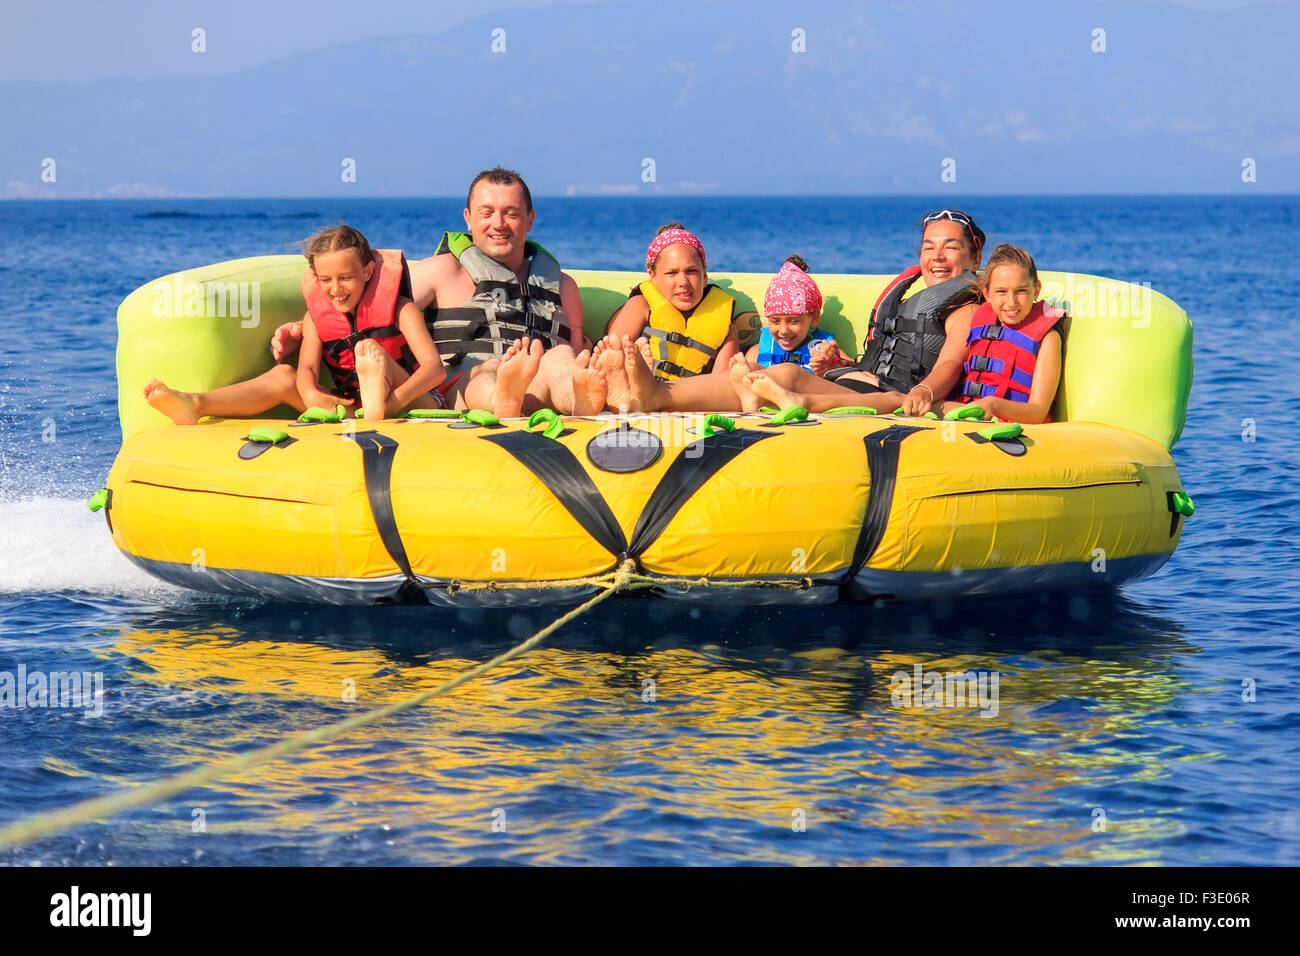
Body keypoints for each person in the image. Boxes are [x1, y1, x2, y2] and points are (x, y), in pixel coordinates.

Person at [607, 209, 988, 416]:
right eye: (928, 247)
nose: (937, 256)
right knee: (754, 376)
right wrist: (839, 362)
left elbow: (952, 360)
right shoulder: (910, 299)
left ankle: (658, 396)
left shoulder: (964, 306)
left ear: (975, 257)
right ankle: (655, 392)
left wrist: (925, 391)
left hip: (900, 397)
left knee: (786, 374)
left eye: (951, 247)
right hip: (862, 382)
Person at [274, 167, 588, 417]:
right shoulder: (440, 271)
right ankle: (504, 399)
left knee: (560, 358)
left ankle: (582, 404)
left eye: (511, 213)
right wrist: (303, 328)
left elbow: (573, 349)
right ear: (468, 218)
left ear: (530, 220)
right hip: (468, 389)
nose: (499, 223)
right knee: (487, 375)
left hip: (538, 384)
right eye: (486, 212)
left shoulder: (562, 285)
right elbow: (370, 309)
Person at [143, 225, 446, 423]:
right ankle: (194, 404)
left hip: (414, 403)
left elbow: (435, 368)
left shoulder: (402, 309)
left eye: (346, 278)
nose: (335, 289)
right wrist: (311, 393)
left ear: (368, 272)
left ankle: (379, 399)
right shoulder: (316, 318)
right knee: (283, 375)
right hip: (357, 409)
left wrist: (394, 403)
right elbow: (307, 370)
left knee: (369, 349)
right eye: (325, 280)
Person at [937, 243, 1063, 424]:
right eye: (1001, 291)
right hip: (970, 415)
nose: (1011, 302)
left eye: (1021, 291)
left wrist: (993, 405)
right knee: (917, 404)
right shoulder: (980, 321)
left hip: (1013, 427)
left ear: (1036, 289)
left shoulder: (1048, 339)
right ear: (986, 293)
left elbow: (1038, 412)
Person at [604, 224, 745, 381]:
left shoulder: (725, 327)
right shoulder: (641, 306)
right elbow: (610, 359)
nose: (683, 282)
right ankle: (638, 380)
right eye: (671, 273)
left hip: (693, 399)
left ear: (705, 276)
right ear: (654, 279)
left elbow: (721, 383)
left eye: (691, 271)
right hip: (636, 391)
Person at [746, 256, 840, 372]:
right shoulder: (756, 352)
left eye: (794, 321)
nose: (784, 330)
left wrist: (837, 364)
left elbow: (852, 368)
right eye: (775, 321)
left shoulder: (824, 348)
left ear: (814, 318)